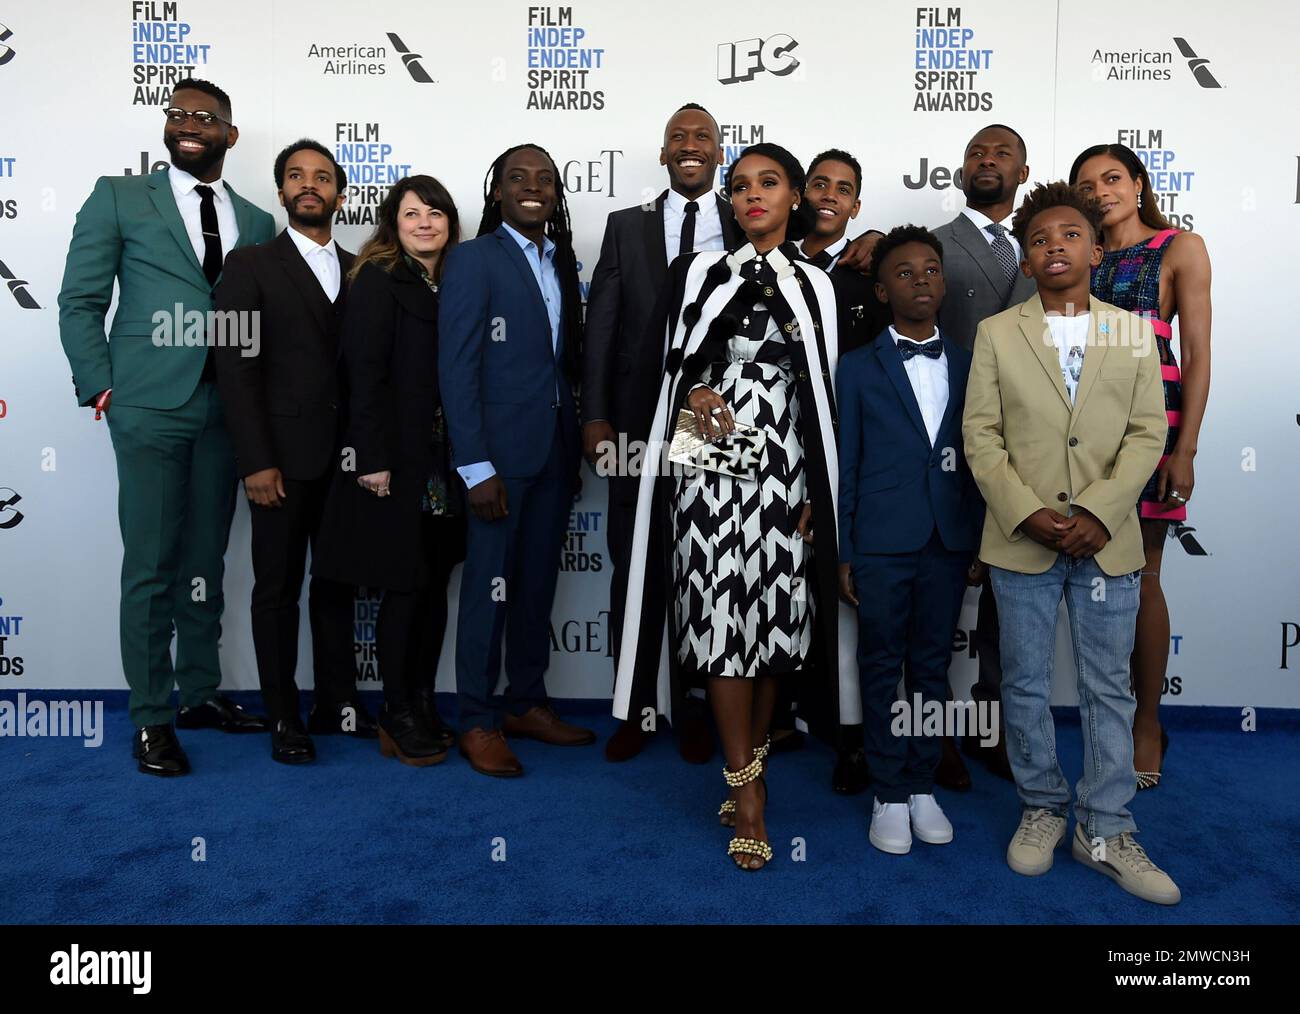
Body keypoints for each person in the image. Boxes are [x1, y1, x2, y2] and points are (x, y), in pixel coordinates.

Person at [612, 143, 848, 870]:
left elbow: (828, 391)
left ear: (795, 196)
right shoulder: (697, 274)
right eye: (740, 185)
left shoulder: (817, 284)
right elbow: (663, 361)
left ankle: (755, 769)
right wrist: (692, 394)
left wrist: (819, 491)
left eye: (768, 183)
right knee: (718, 616)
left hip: (786, 459)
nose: (752, 196)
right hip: (707, 452)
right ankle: (746, 793)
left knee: (776, 621)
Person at [963, 181, 1180, 905]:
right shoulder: (999, 333)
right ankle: (1041, 807)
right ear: (1025, 261)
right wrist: (1025, 512)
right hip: (1021, 539)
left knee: (1106, 687)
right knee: (1022, 682)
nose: (1054, 246)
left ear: (1094, 249)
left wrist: (1100, 511)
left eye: (1068, 235)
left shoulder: (1129, 330)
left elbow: (1150, 430)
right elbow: (981, 436)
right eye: (1038, 240)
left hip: (1107, 539)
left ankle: (1107, 827)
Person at [57, 78, 274, 777]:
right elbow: (80, 300)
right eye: (177, 113)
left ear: (229, 136)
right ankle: (151, 716)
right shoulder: (118, 197)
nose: (189, 124)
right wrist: (102, 385)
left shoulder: (258, 221)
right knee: (151, 566)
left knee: (205, 562)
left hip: (227, 414)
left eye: (205, 118)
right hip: (149, 407)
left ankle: (201, 694)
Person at [583, 103, 740, 765]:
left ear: (720, 149)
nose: (689, 145)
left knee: (699, 570)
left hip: (711, 423)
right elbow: (602, 328)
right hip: (635, 422)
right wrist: (594, 413)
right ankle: (638, 707)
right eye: (678, 136)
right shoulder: (627, 227)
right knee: (635, 569)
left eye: (702, 135)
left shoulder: (746, 221)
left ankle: (697, 707)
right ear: (663, 152)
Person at [438, 144, 594, 778]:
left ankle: (526, 702)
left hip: (554, 451)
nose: (533, 187)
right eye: (518, 178)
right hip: (497, 463)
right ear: (496, 192)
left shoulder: (560, 262)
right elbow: (456, 367)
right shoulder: (474, 260)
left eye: (545, 179)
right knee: (487, 592)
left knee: (535, 588)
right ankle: (476, 718)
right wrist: (474, 466)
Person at [214, 139, 371, 764]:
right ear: (281, 192)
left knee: (336, 586)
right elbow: (233, 366)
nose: (311, 186)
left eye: (323, 177)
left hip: (349, 466)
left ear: (339, 192)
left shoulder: (363, 268)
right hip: (277, 461)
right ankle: (284, 716)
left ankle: (337, 703)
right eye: (297, 177)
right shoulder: (247, 263)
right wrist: (255, 460)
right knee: (276, 589)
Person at [838, 226, 984, 855]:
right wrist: (845, 551)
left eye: (931, 270)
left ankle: (922, 781)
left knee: (931, 665)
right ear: (880, 290)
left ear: (944, 283)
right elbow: (847, 465)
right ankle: (887, 791)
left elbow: (982, 458)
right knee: (879, 663)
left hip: (947, 539)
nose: (921, 281)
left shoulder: (972, 361)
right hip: (879, 540)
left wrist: (979, 538)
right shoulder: (857, 366)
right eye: (904, 273)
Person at [1070, 143, 1212, 791]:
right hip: (1077, 426)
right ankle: (1104, 720)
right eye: (1086, 183)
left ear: (1138, 183)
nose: (1101, 191)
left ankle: (1146, 723)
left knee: (1145, 576)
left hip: (1155, 420)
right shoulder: (1075, 251)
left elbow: (1199, 352)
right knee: (1085, 571)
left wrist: (1186, 449)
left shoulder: (1179, 247)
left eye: (1112, 178)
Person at [312, 175, 466, 767]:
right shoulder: (378, 281)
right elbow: (363, 378)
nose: (425, 223)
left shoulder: (456, 280)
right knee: (405, 587)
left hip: (450, 463)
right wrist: (370, 459)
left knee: (432, 586)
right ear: (393, 224)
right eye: (411, 214)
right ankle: (395, 711)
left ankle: (423, 702)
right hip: (399, 464)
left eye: (435, 213)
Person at [932, 123, 1037, 787]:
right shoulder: (931, 247)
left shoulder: (1050, 245)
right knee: (938, 590)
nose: (987, 160)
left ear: (1024, 172)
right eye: (976, 152)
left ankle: (994, 724)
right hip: (945, 443)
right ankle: (934, 728)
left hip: (1026, 449)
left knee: (1010, 597)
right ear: (961, 170)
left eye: (1001, 153)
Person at [792, 147, 887, 794]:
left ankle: (852, 738)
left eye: (844, 188)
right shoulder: (767, 265)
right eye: (818, 183)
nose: (830, 194)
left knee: (847, 602)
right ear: (800, 193)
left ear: (857, 205)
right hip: (767, 458)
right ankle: (773, 720)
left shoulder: (867, 276)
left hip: (845, 463)